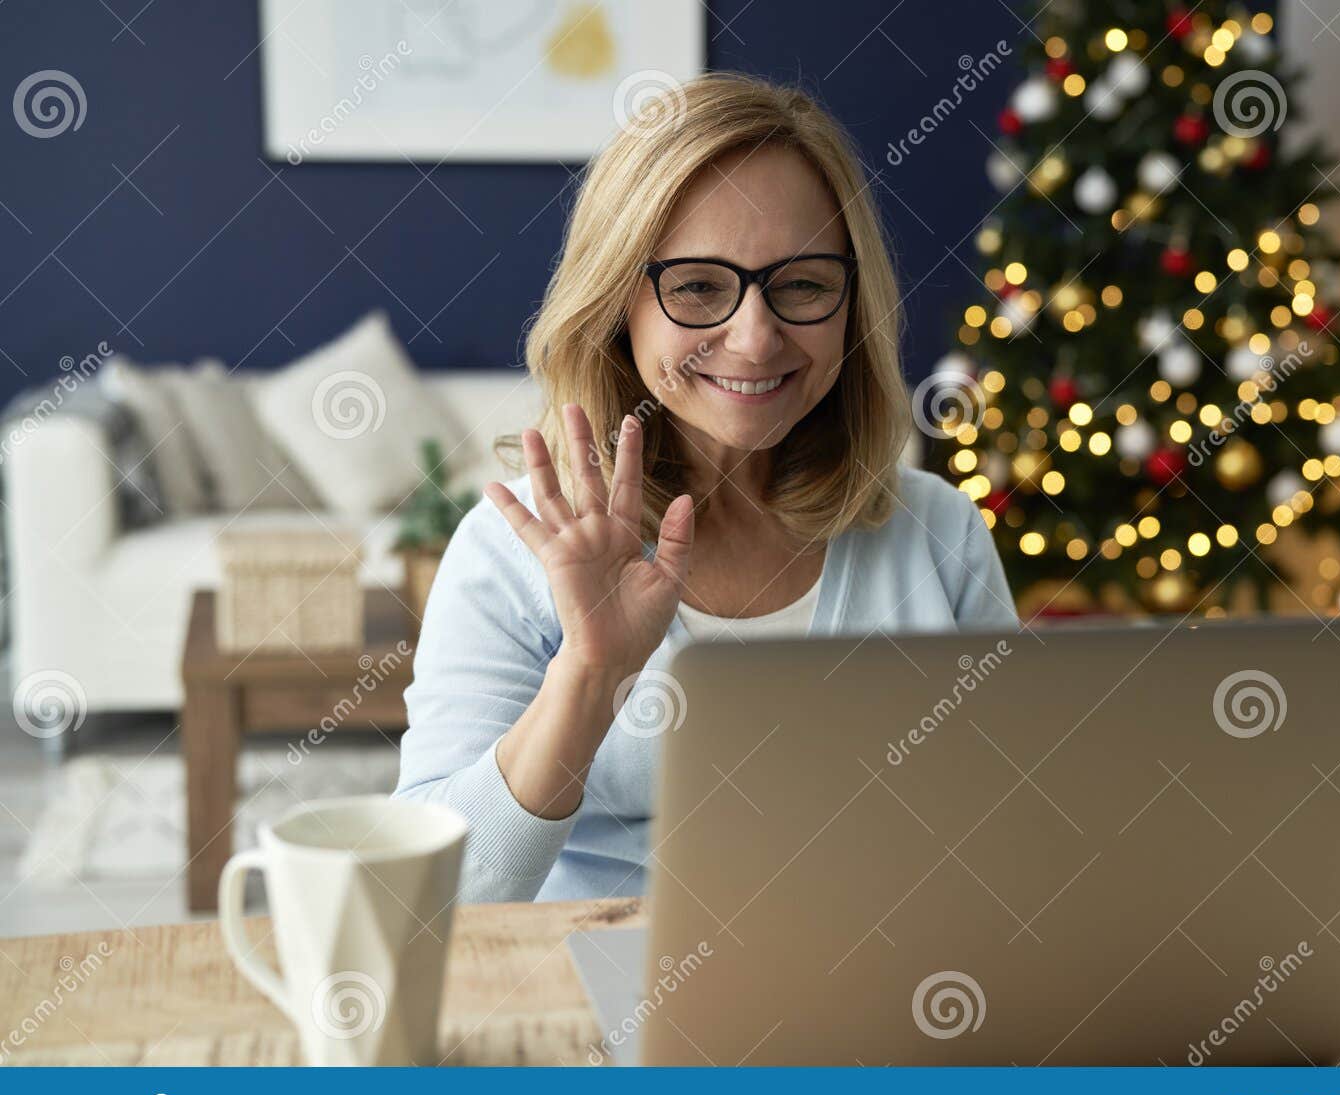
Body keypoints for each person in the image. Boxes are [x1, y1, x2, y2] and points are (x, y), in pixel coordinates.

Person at [395, 72, 1018, 902]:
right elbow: (435, 899)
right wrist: (589, 674)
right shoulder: (510, 552)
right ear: (618, 305)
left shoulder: (936, 529)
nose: (757, 339)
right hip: (601, 1002)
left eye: (801, 284)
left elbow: (1019, 836)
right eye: (696, 286)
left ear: (850, 301)